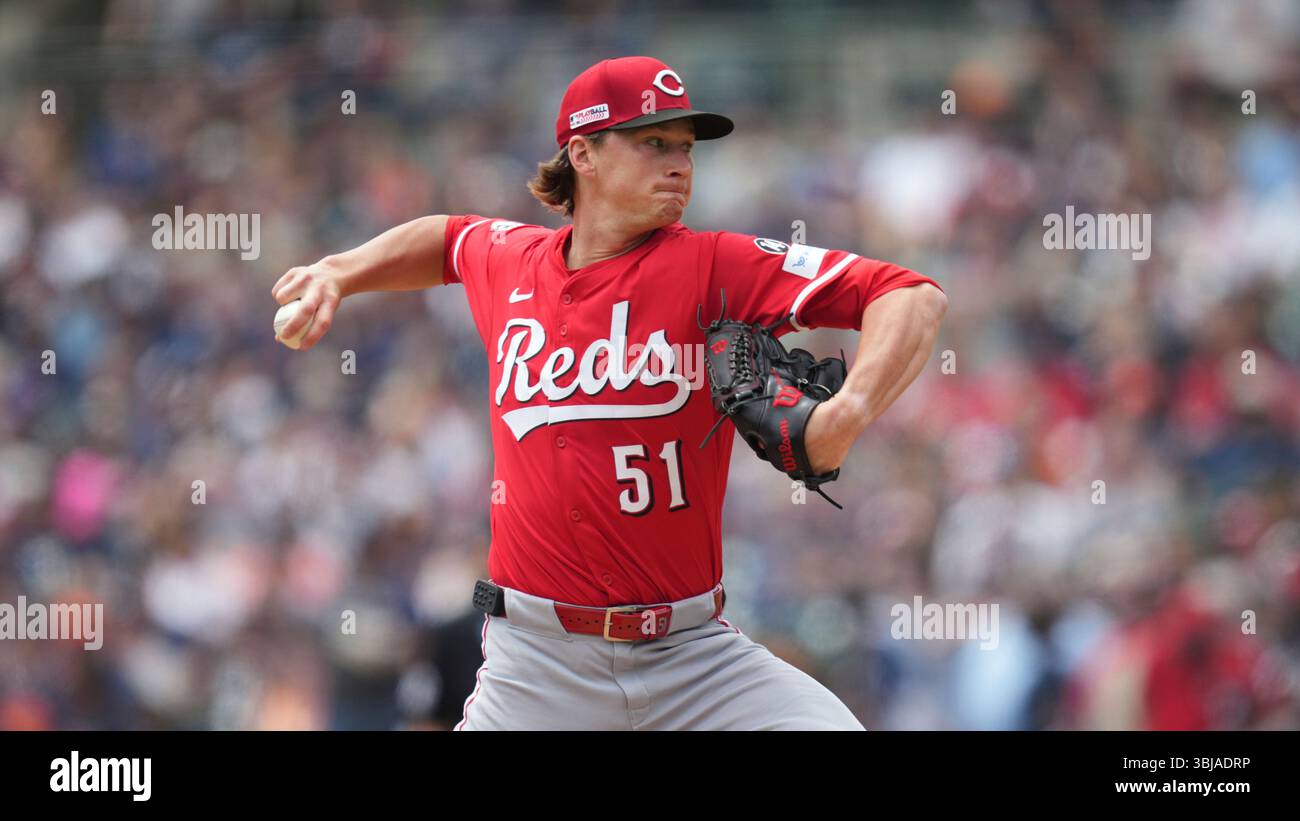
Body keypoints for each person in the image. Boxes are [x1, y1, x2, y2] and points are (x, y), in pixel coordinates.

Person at [271, 56, 948, 730]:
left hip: (694, 658)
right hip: (535, 666)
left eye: (685, 147)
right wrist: (340, 270)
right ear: (582, 153)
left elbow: (909, 292)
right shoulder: (511, 262)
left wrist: (847, 413)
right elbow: (449, 239)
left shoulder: (712, 263)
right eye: (654, 142)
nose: (679, 163)